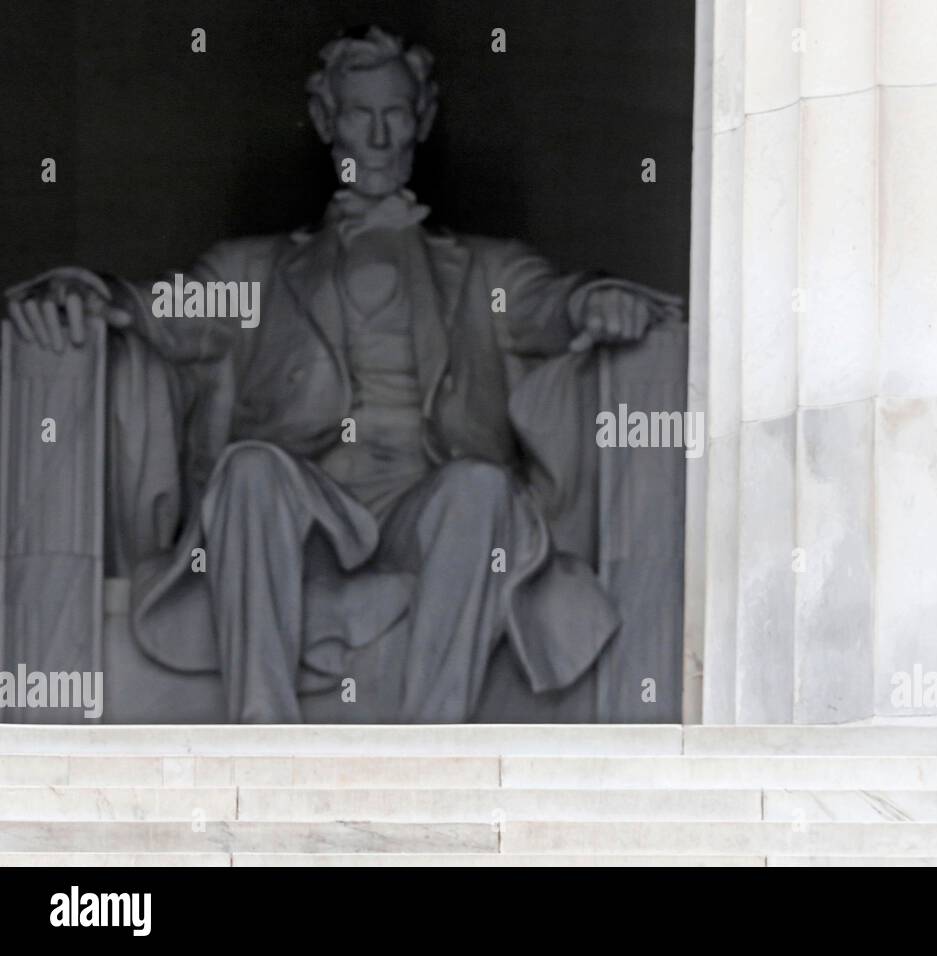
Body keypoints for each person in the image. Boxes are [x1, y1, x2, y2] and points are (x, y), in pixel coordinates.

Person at [2, 25, 682, 722]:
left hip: (427, 511)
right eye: (362, 113)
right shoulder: (253, 271)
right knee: (250, 470)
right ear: (328, 122)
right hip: (304, 515)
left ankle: (429, 744)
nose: (381, 136)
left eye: (397, 113)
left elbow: (552, 306)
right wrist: (84, 292)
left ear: (422, 118)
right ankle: (261, 734)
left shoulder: (486, 269)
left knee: (481, 486)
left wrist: (597, 301)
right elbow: (157, 311)